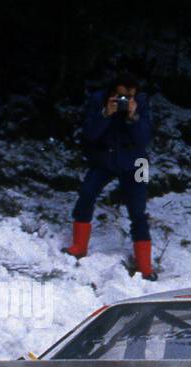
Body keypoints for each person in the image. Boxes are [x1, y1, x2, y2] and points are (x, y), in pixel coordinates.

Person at [64, 73, 156, 279]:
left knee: (138, 211)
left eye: (129, 96)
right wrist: (105, 113)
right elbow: (89, 133)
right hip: (105, 158)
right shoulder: (98, 99)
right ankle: (79, 246)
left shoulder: (141, 101)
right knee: (86, 194)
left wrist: (134, 117)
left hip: (137, 162)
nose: (125, 100)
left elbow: (145, 138)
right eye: (121, 96)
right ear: (113, 91)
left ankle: (145, 267)